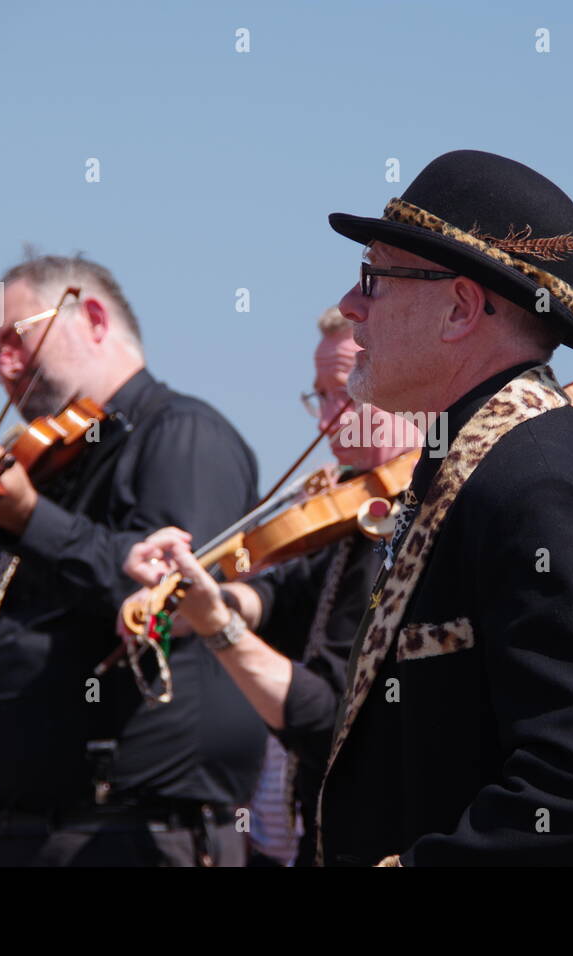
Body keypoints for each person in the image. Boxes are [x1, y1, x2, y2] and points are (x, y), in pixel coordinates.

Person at [150, 150, 573, 866]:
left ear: (461, 308)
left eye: (373, 279)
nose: (352, 307)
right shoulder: (479, 462)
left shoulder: (538, 478)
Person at [0, 254, 266, 866]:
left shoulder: (183, 434)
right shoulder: (38, 465)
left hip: (126, 832)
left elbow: (168, 596)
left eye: (16, 337)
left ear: (91, 318)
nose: (4, 364)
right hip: (13, 832)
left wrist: (31, 518)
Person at [121, 306, 419, 866]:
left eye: (346, 393)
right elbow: (286, 591)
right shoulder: (354, 512)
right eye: (321, 397)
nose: (328, 420)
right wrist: (210, 598)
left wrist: (220, 628)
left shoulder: (416, 521)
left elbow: (329, 720)